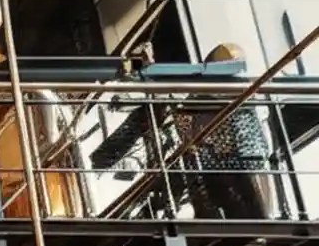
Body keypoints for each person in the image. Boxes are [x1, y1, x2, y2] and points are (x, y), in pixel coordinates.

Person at [91, 43, 278, 220]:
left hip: (193, 184)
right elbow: (130, 90)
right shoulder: (186, 99)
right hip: (142, 173)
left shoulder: (242, 120)